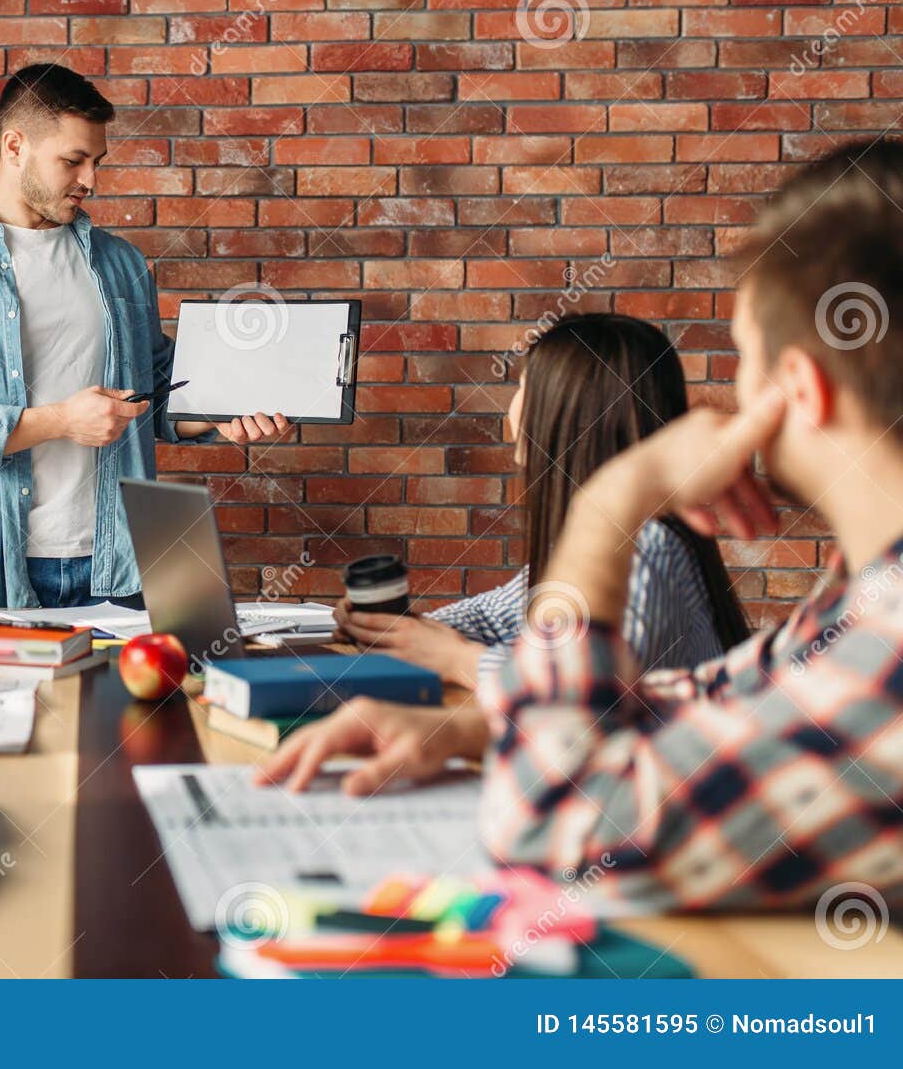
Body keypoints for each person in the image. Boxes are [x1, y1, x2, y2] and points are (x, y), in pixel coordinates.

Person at [259, 138, 903, 912]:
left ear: (800, 388)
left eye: (742, 359)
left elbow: (552, 822)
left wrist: (611, 499)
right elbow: (713, 699)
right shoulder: (860, 597)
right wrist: (470, 730)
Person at [0, 63, 291, 610]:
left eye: (97, 161)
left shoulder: (121, 264)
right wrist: (62, 421)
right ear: (15, 146)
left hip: (125, 560)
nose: (90, 179)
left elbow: (152, 393)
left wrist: (217, 413)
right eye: (73, 161)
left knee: (171, 671)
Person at [334, 314, 747, 687]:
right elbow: (495, 618)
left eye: (521, 388)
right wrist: (394, 629)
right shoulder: (593, 541)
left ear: (564, 412)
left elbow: (586, 694)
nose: (511, 410)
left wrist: (458, 660)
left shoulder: (643, 548)